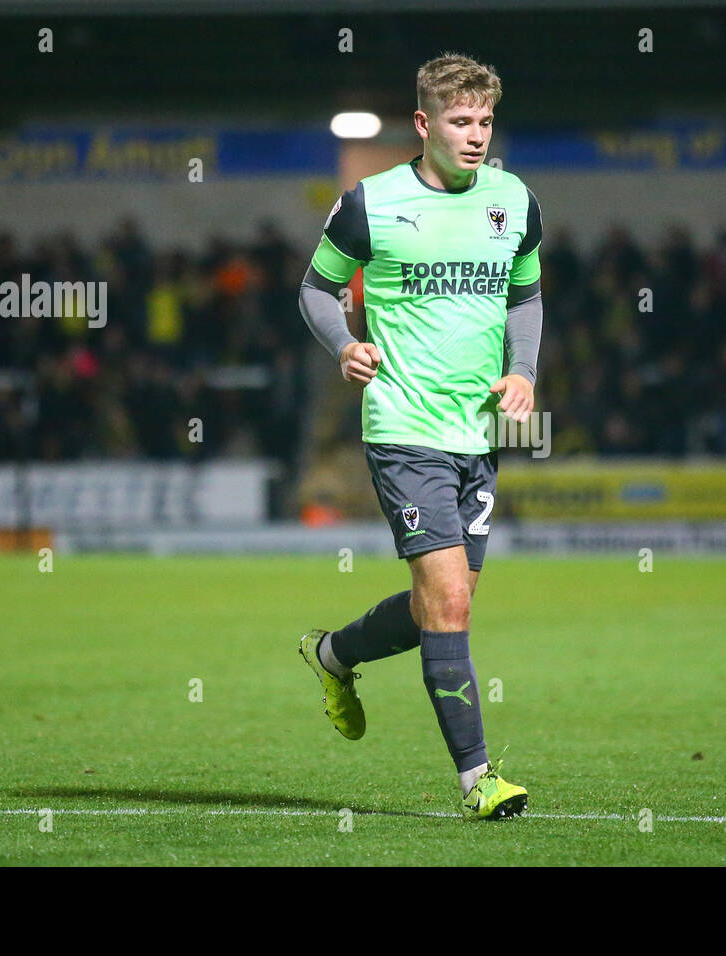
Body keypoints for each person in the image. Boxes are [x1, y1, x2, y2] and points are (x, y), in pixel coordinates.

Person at [296, 52, 544, 819]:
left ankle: (333, 653)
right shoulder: (370, 205)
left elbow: (526, 295)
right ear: (424, 124)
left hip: (478, 433)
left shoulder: (515, 201)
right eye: (461, 122)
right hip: (404, 429)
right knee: (450, 604)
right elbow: (315, 287)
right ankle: (478, 781)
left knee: (445, 600)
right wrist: (344, 344)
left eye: (485, 122)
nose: (475, 137)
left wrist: (524, 371)